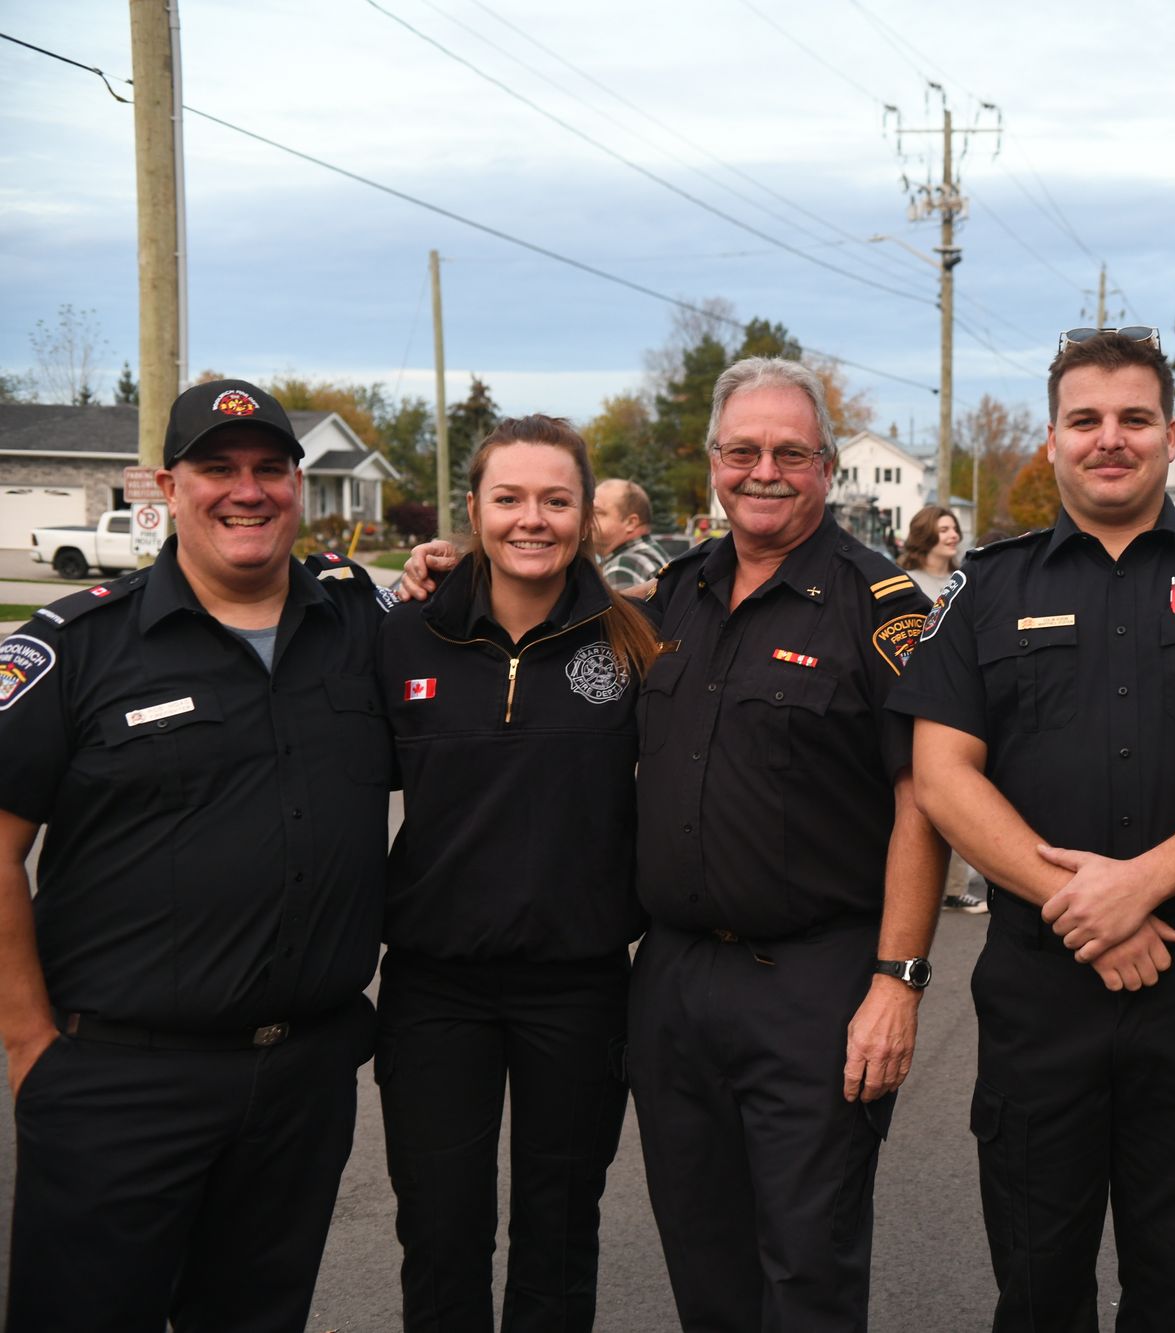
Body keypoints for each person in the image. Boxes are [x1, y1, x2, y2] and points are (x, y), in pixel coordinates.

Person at [890, 326, 1175, 1330]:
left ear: (1170, 436)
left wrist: (1140, 884)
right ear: (1050, 440)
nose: (1110, 438)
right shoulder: (986, 588)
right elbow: (941, 775)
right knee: (1037, 1286)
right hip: (1039, 983)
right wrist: (1080, 902)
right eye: (1084, 419)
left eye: (1135, 418)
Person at [0, 379, 390, 1329]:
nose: (246, 491)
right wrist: (30, 1048)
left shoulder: (362, 626)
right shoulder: (77, 645)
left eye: (269, 469)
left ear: (297, 485)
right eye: (217, 469)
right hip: (118, 1085)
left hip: (302, 1085)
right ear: (168, 488)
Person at [631, 357, 943, 1330]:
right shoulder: (672, 594)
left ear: (825, 469)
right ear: (712, 462)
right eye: (742, 450)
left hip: (815, 985)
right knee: (704, 1264)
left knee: (807, 1271)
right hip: (675, 984)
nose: (762, 471)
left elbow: (923, 802)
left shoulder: (881, 606)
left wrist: (897, 981)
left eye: (789, 453)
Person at [374, 415, 657, 1329]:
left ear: (588, 514)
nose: (531, 519)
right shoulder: (405, 636)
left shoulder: (638, 639)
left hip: (577, 987)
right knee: (440, 1232)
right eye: (508, 498)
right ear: (473, 510)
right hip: (435, 988)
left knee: (560, 1231)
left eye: (555, 500)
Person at [897, 503, 985, 913]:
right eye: (944, 528)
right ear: (925, 534)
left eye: (954, 529)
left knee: (960, 790)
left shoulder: (962, 580)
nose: (953, 535)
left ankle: (954, 887)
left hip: (957, 697)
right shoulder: (905, 583)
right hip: (912, 697)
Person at [593, 477, 675, 590]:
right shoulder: (649, 554)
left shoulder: (623, 567)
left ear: (631, 523)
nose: (587, 519)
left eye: (597, 512)